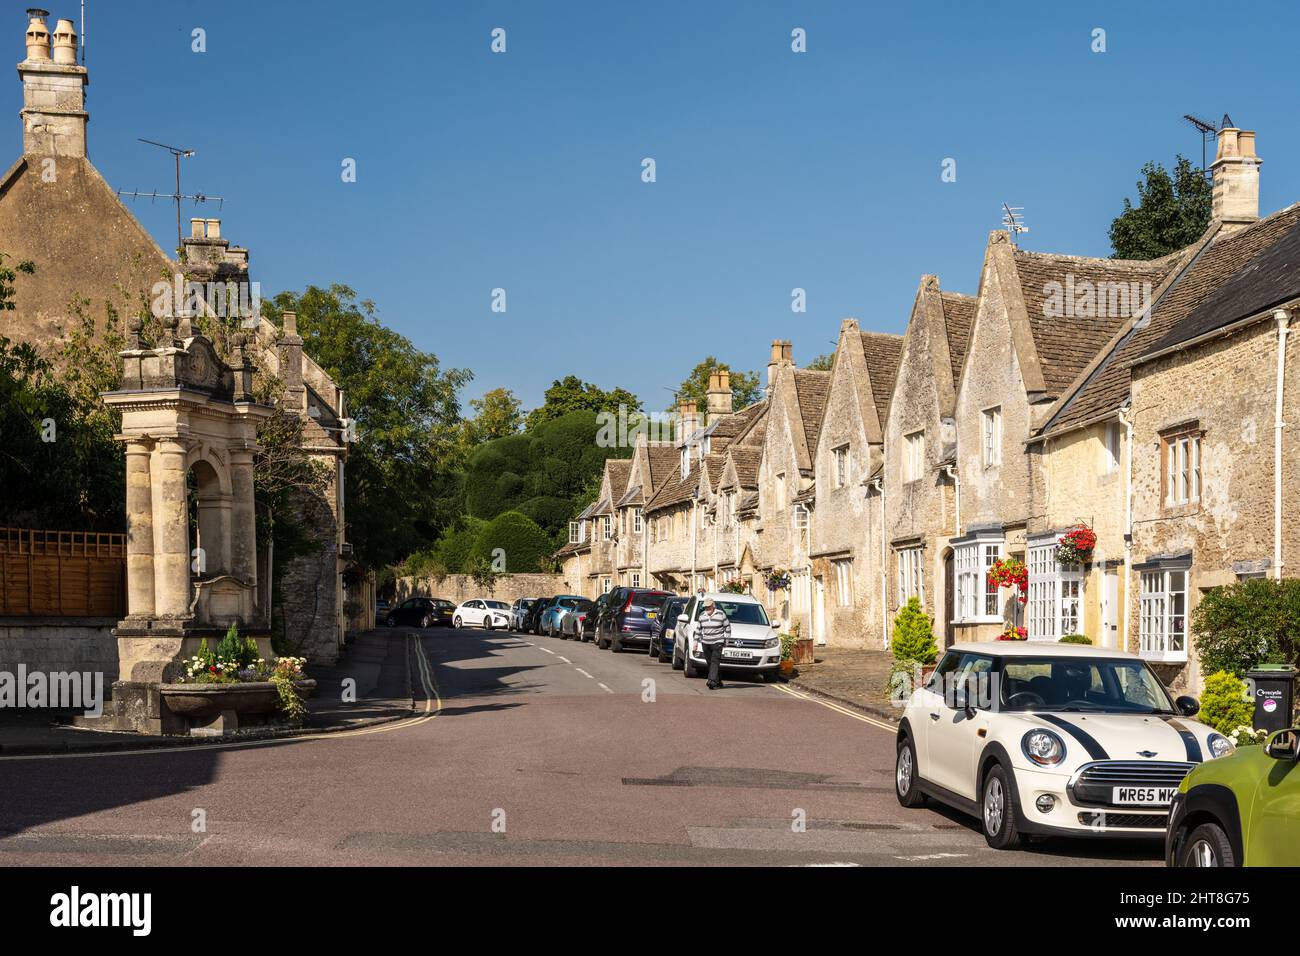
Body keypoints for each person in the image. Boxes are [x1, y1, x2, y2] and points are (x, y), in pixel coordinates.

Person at [697, 598, 731, 690]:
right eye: (705, 607)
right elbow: (698, 629)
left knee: (715, 661)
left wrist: (726, 640)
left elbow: (727, 627)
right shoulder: (702, 615)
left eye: (709, 606)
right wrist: (696, 642)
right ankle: (718, 680)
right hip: (706, 642)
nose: (707, 608)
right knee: (710, 663)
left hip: (718, 641)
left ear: (713, 606)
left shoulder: (720, 614)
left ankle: (711, 681)